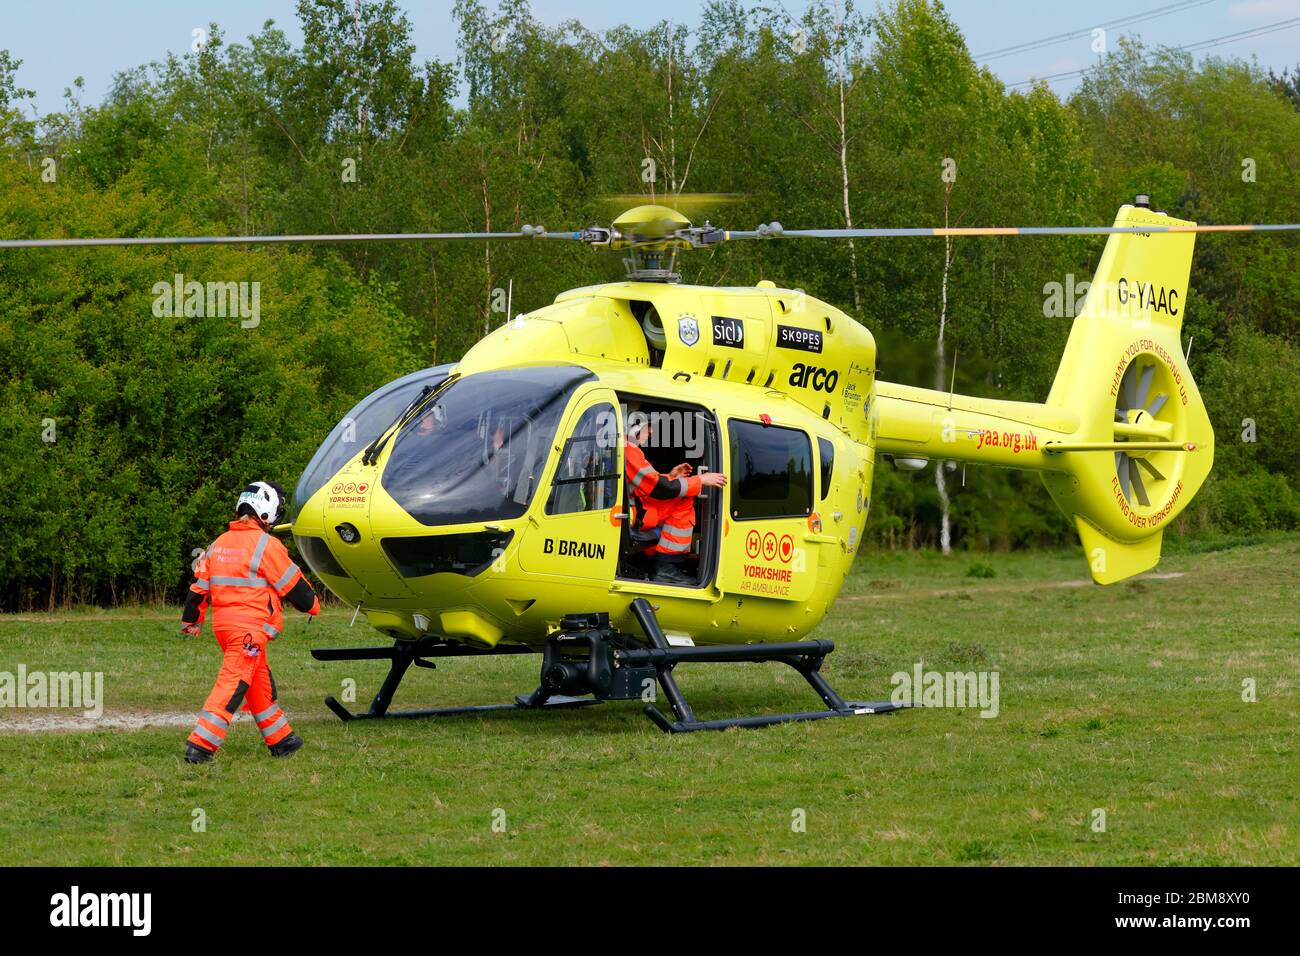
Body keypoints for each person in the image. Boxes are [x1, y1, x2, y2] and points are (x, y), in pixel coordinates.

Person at [179, 481, 319, 764]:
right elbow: (296, 589)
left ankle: (282, 740)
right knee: (233, 684)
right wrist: (313, 605)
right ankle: (200, 746)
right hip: (249, 632)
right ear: (266, 512)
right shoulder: (266, 545)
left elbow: (199, 587)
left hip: (225, 629)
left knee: (258, 682)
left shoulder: (218, 544)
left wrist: (191, 620)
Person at [624, 419, 727, 585]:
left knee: (679, 497)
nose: (650, 435)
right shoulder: (629, 450)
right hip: (632, 514)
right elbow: (659, 488)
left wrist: (671, 477)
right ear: (634, 428)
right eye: (647, 430)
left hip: (635, 508)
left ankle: (657, 562)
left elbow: (648, 484)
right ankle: (666, 566)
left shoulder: (625, 450)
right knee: (683, 501)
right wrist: (700, 480)